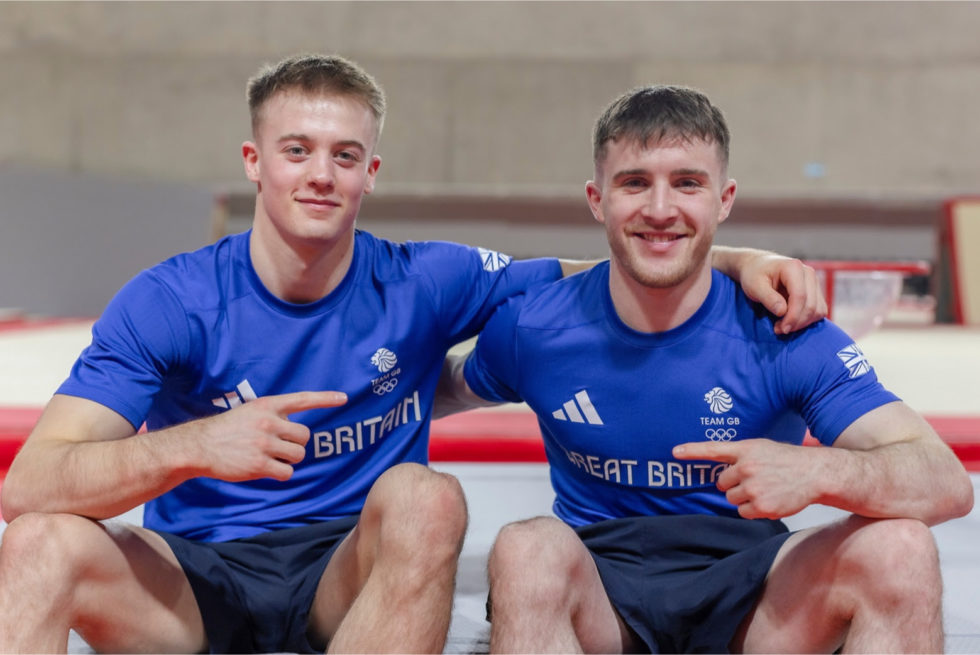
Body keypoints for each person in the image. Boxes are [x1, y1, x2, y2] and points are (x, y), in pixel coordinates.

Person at [0, 56, 823, 654]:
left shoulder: (426, 279)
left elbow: (607, 271)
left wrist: (734, 260)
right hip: (192, 579)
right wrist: (193, 446)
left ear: (370, 174)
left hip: (348, 576)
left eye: (345, 156)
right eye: (297, 150)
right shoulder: (170, 300)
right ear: (254, 162)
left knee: (426, 496)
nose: (320, 174)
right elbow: (31, 485)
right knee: (37, 546)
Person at [441, 84, 975, 653]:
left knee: (900, 549)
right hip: (599, 588)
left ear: (725, 199)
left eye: (688, 183)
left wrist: (820, 472)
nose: (661, 208)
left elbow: (944, 482)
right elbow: (437, 390)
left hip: (757, 591)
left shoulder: (784, 330)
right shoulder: (534, 328)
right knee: (526, 549)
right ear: (598, 200)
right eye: (635, 182)